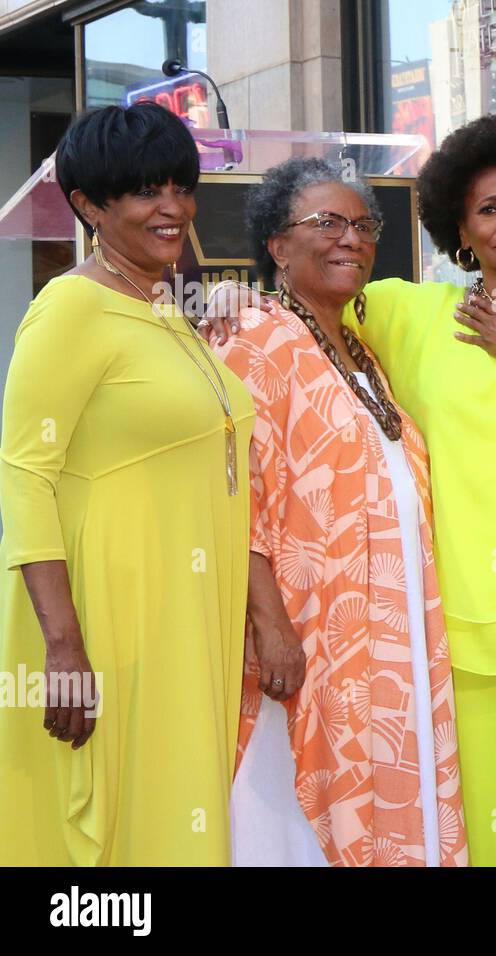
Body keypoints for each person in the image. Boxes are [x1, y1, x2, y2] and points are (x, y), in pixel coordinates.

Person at [206, 112, 496, 866]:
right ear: (460, 230)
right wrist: (230, 303)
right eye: (488, 210)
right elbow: (313, 307)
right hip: (454, 604)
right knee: (483, 805)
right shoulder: (411, 311)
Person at [0, 103, 255, 865]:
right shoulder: (71, 307)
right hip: (110, 612)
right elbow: (23, 472)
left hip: (186, 607)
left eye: (181, 186)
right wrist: (65, 648)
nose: (172, 207)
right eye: (145, 191)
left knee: (175, 810)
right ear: (88, 206)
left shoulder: (165, 308)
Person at [212, 158, 467, 866]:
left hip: (387, 627)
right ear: (277, 245)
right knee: (287, 817)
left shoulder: (359, 347)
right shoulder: (253, 336)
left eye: (362, 225)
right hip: (305, 630)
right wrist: (270, 625)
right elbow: (239, 497)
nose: (348, 238)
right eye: (325, 222)